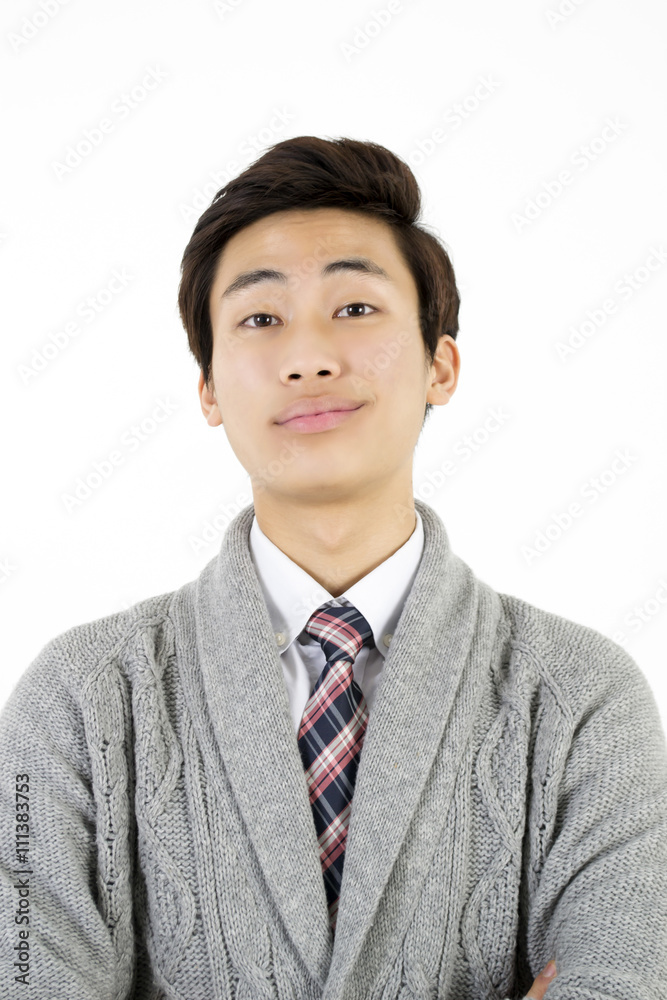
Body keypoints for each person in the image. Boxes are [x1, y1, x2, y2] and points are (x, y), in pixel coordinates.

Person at [0, 136, 665, 1000]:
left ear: (440, 364)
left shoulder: (579, 697)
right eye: (259, 319)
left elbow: (624, 975)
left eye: (354, 309)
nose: (308, 356)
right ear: (207, 386)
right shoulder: (80, 697)